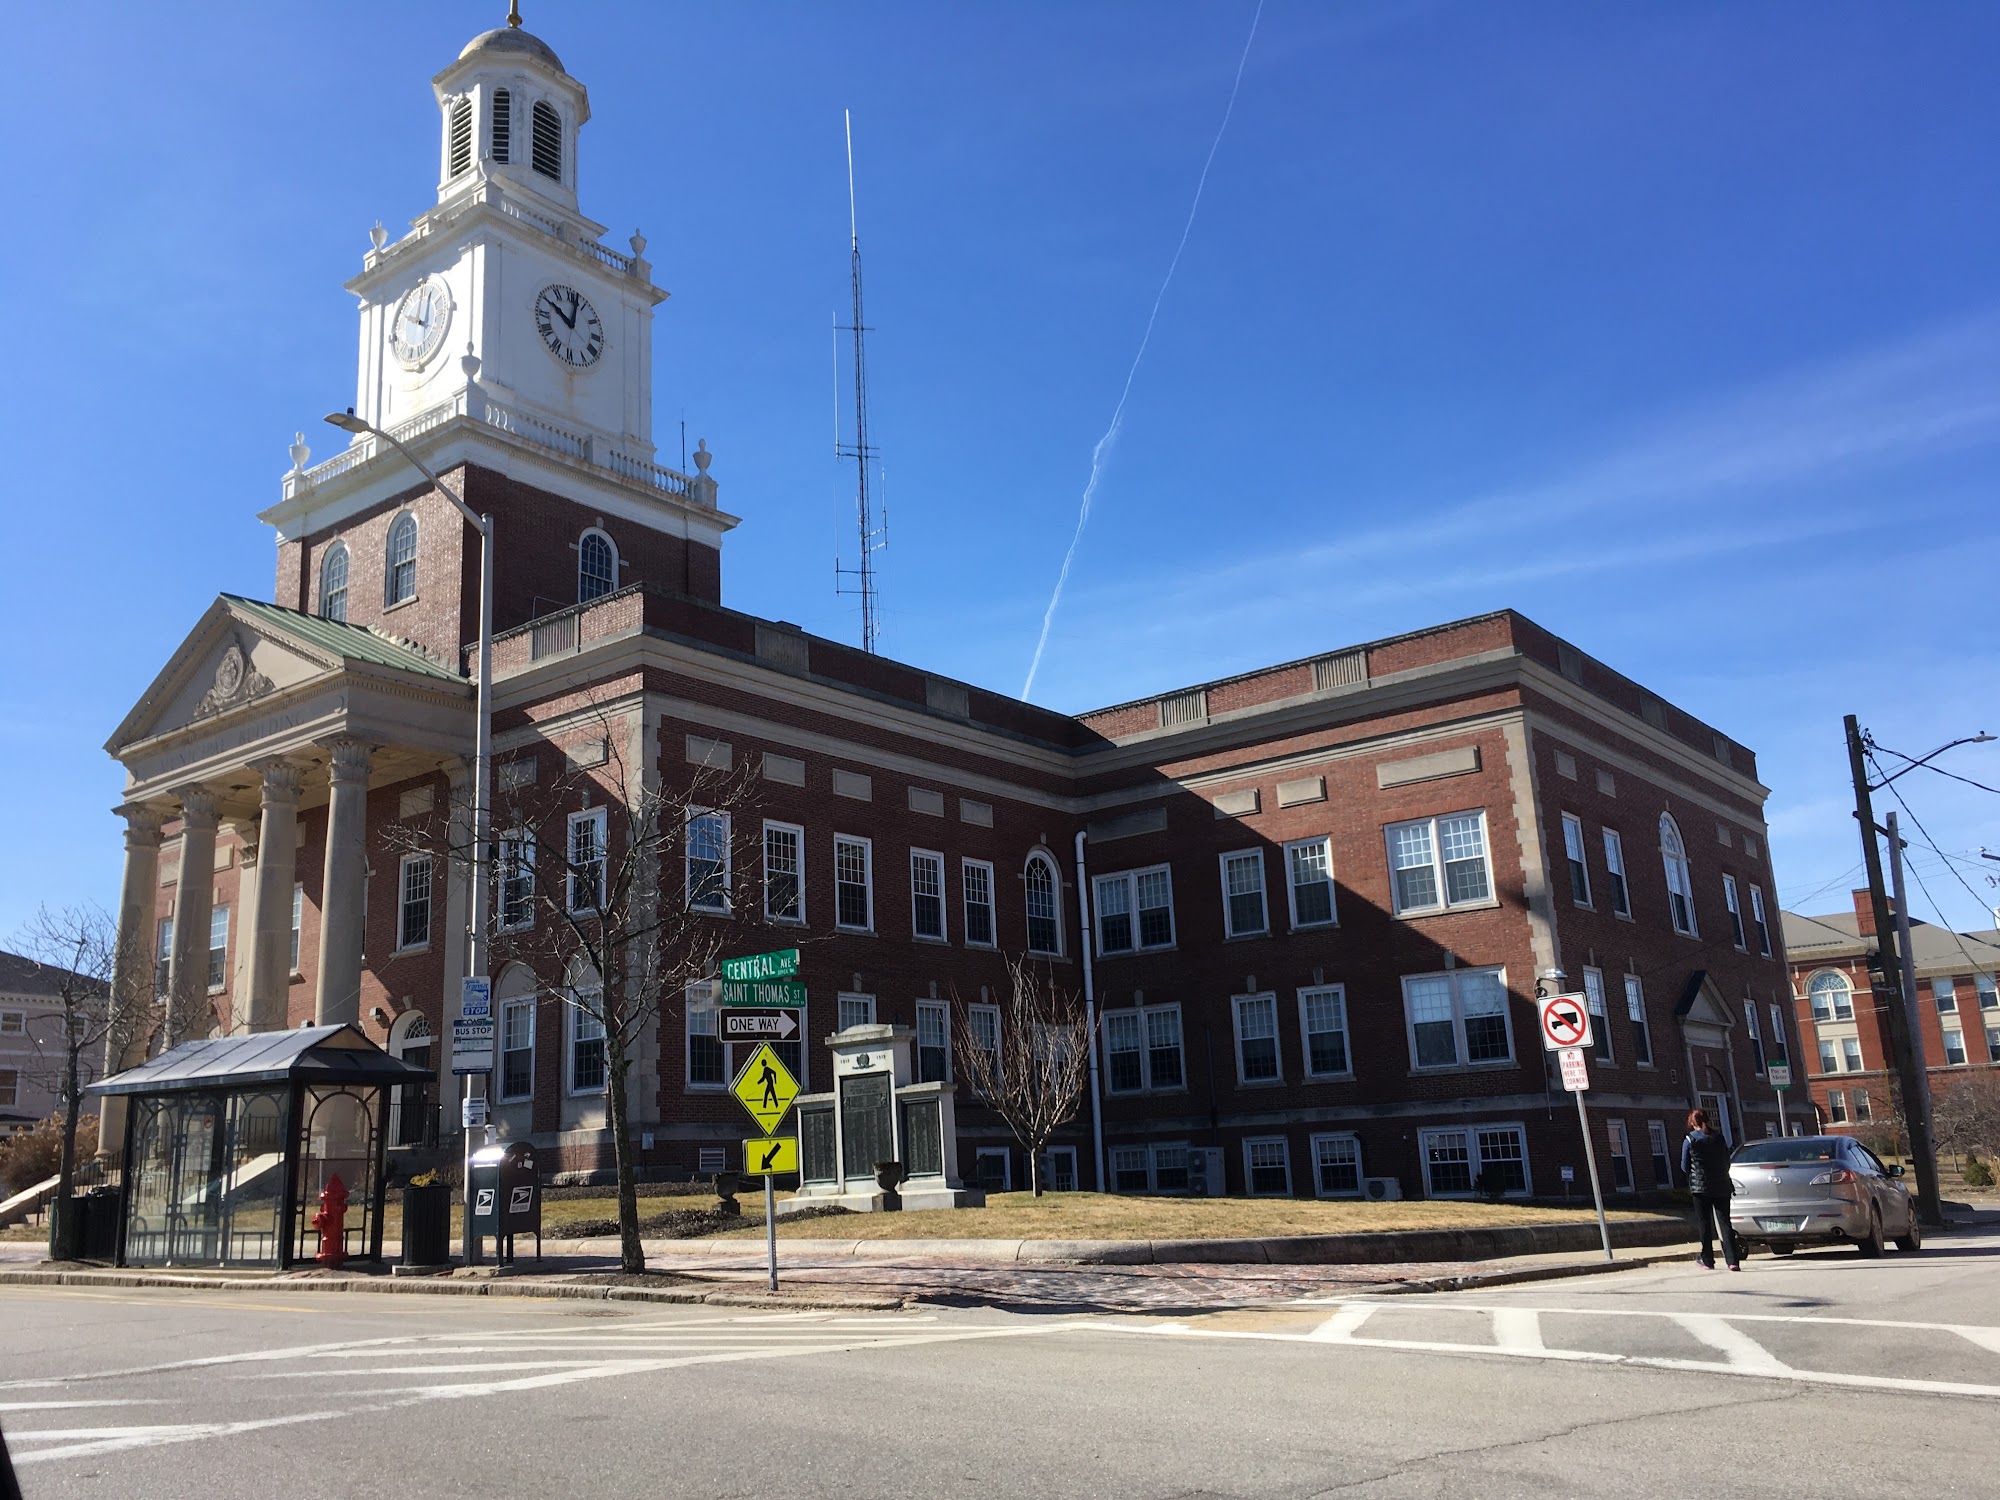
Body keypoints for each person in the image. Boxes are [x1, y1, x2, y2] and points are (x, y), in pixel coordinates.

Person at [1680, 1108, 1740, 1271]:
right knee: (1725, 1222)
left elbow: (1684, 1166)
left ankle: (1707, 1259)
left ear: (1692, 1123)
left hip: (1700, 1188)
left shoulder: (1690, 1139)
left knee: (1704, 1223)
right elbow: (1726, 1161)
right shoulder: (1719, 1138)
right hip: (1722, 1185)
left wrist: (1694, 1176)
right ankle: (1733, 1260)